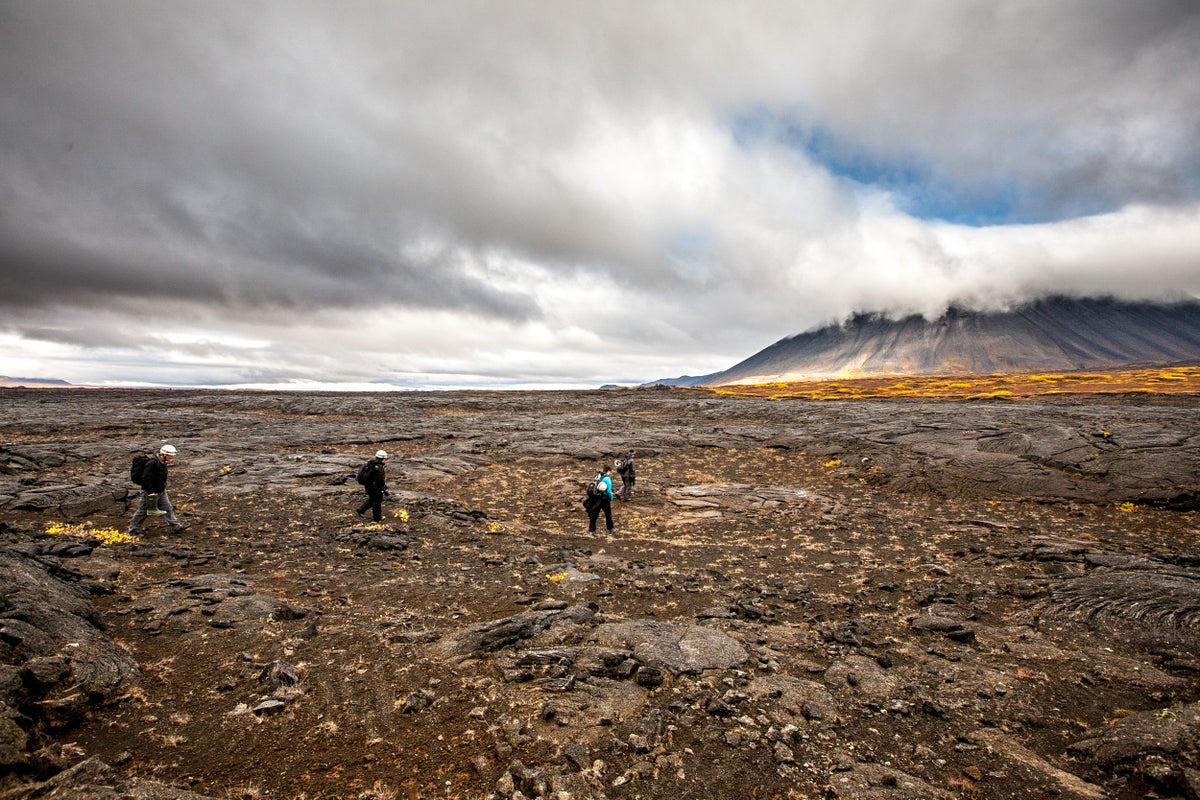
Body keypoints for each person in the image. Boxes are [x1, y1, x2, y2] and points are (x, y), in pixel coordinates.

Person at [129, 444, 185, 534]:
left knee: (167, 507)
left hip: (161, 491)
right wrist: (150, 492)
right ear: (165, 455)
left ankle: (175, 526)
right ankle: (133, 530)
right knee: (143, 511)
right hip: (149, 492)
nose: (172, 458)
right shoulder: (152, 462)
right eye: (171, 456)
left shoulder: (162, 462)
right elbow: (145, 477)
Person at [356, 449, 390, 521]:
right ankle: (377, 517)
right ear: (383, 458)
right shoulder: (379, 467)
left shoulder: (370, 463)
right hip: (375, 487)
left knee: (372, 499)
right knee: (377, 501)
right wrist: (384, 489)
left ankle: (361, 510)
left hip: (368, 485)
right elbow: (380, 480)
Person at [586, 465, 614, 534]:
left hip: (596, 498)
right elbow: (608, 490)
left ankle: (592, 530)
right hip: (604, 498)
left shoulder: (598, 476)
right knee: (608, 514)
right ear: (608, 471)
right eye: (610, 472)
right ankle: (610, 529)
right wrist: (611, 497)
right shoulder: (607, 479)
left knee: (594, 514)